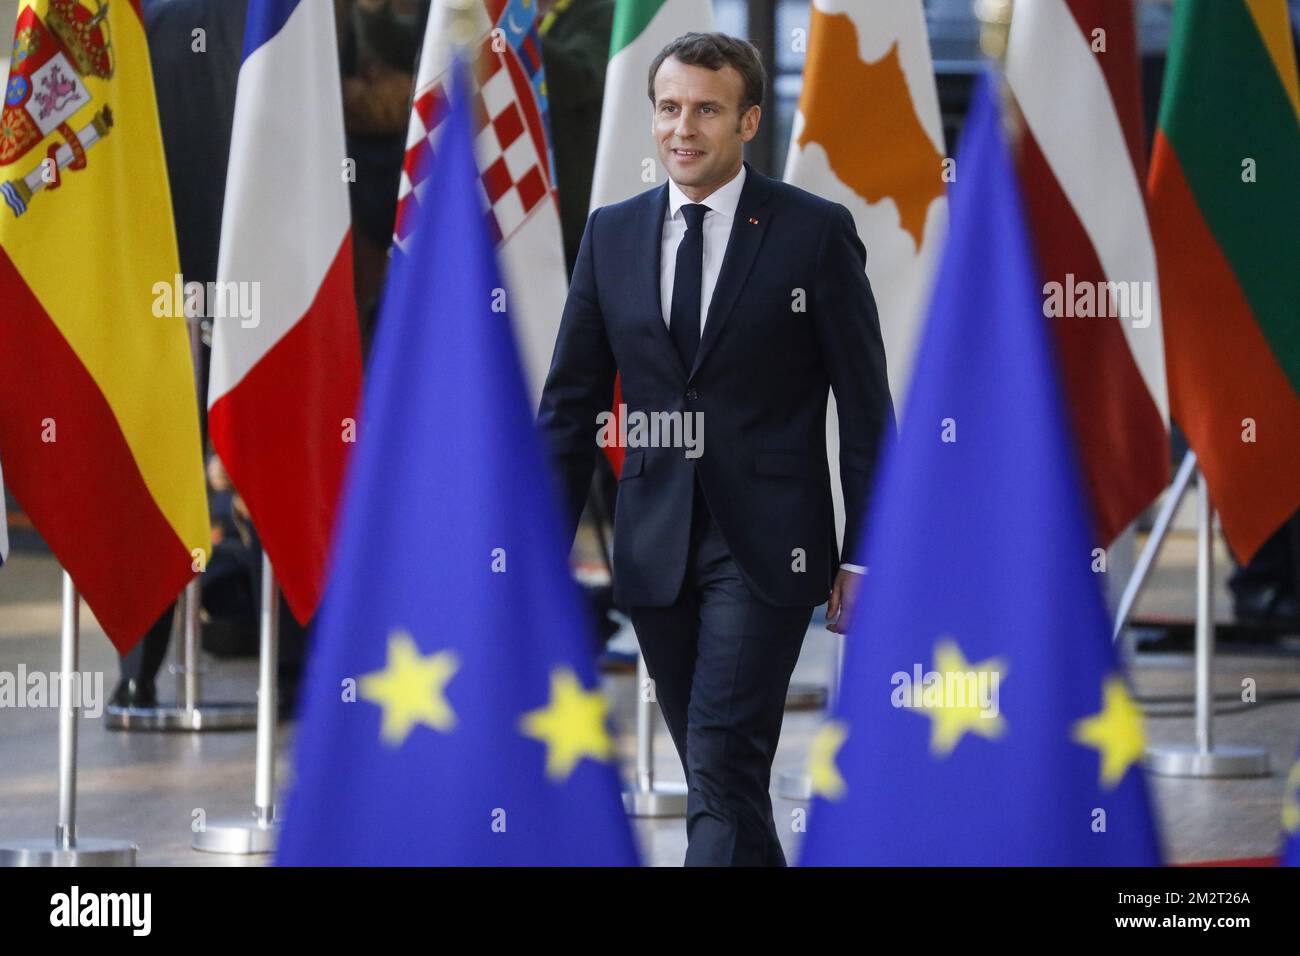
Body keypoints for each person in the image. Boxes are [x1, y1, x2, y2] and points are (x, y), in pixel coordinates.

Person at [538, 32, 894, 866]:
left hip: (769, 544)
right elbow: (568, 409)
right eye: (668, 108)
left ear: (747, 122)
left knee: (724, 757)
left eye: (706, 109)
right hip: (655, 547)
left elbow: (867, 406)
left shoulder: (813, 233)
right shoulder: (610, 235)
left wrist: (866, 555)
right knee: (720, 775)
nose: (683, 128)